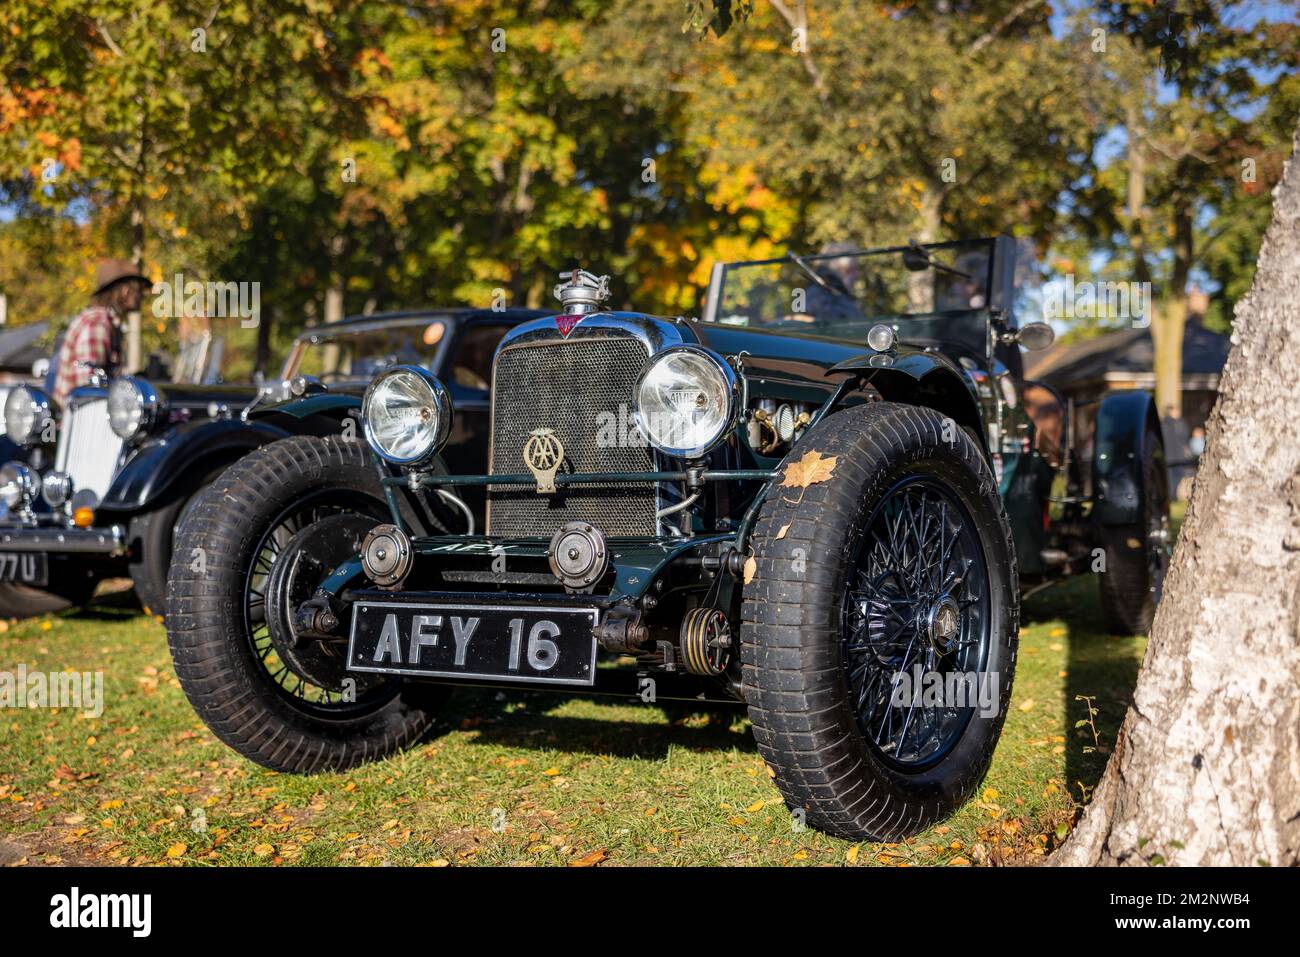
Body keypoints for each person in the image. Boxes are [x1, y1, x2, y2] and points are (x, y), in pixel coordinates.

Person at [52, 259, 150, 406]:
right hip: (82, 423)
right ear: (126, 291)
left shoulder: (105, 323)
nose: (142, 296)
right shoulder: (97, 323)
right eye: (139, 290)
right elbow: (90, 393)